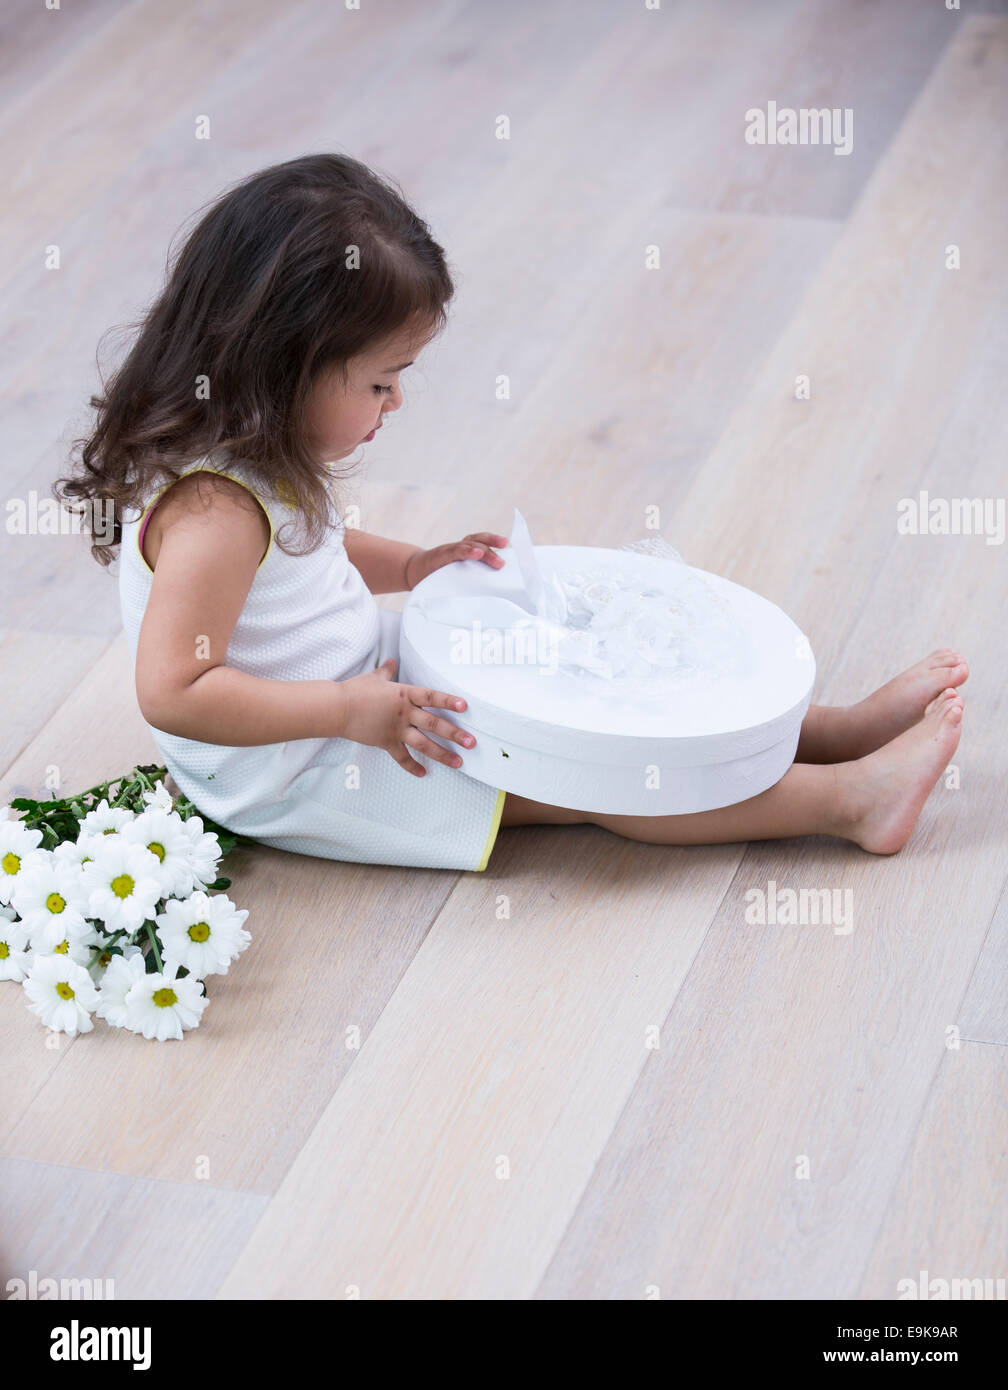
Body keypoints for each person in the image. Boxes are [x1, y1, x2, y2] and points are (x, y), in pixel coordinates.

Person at [56, 153, 966, 872]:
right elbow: (175, 689)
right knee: (605, 776)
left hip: (349, 692)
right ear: (282, 365)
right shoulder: (215, 513)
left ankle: (829, 732)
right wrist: (343, 710)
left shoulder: (263, 459)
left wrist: (411, 569)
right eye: (381, 381)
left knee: (568, 678)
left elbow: (308, 560)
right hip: (300, 766)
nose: (396, 403)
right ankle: (852, 803)